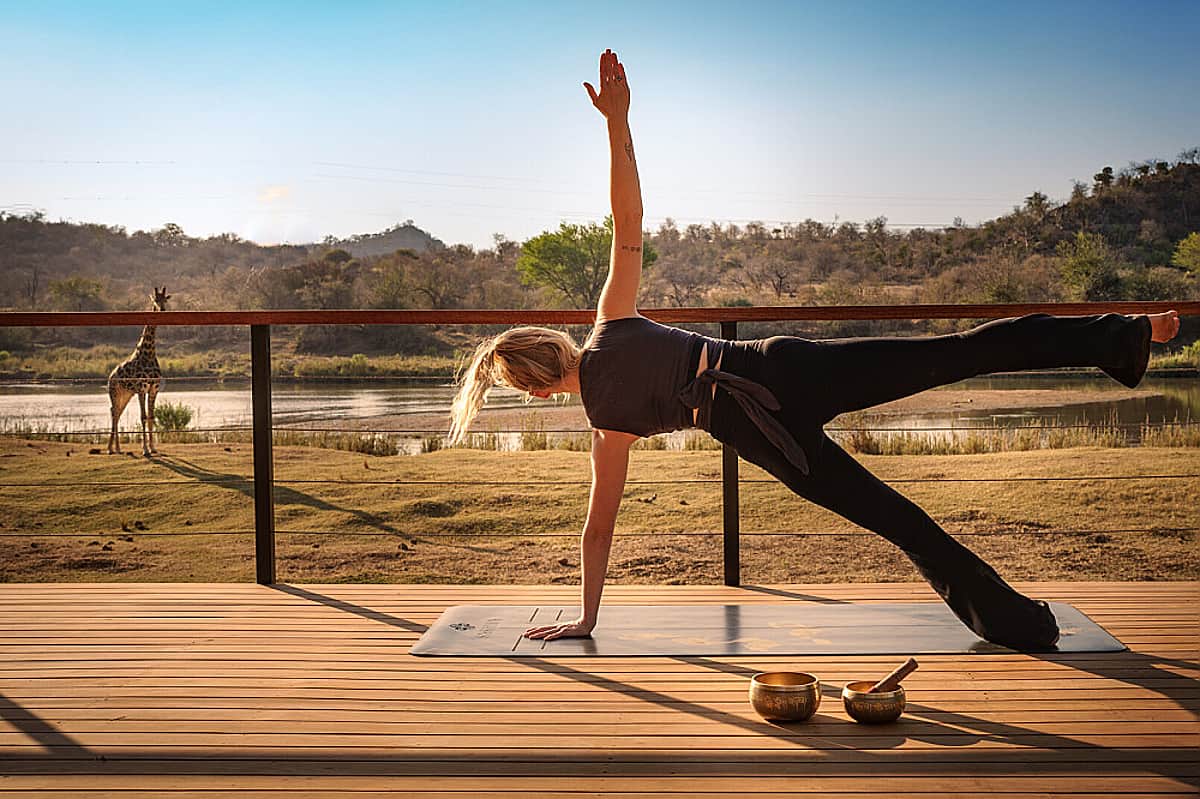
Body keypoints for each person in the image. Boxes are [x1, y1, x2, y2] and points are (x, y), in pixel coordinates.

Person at [448, 49, 1182, 651]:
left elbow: (598, 527)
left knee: (902, 522)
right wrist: (620, 124)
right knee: (961, 350)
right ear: (554, 341)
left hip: (766, 433)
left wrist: (588, 617)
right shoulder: (612, 316)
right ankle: (1122, 336)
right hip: (784, 363)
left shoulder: (606, 425)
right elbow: (627, 215)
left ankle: (1023, 624)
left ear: (539, 390)